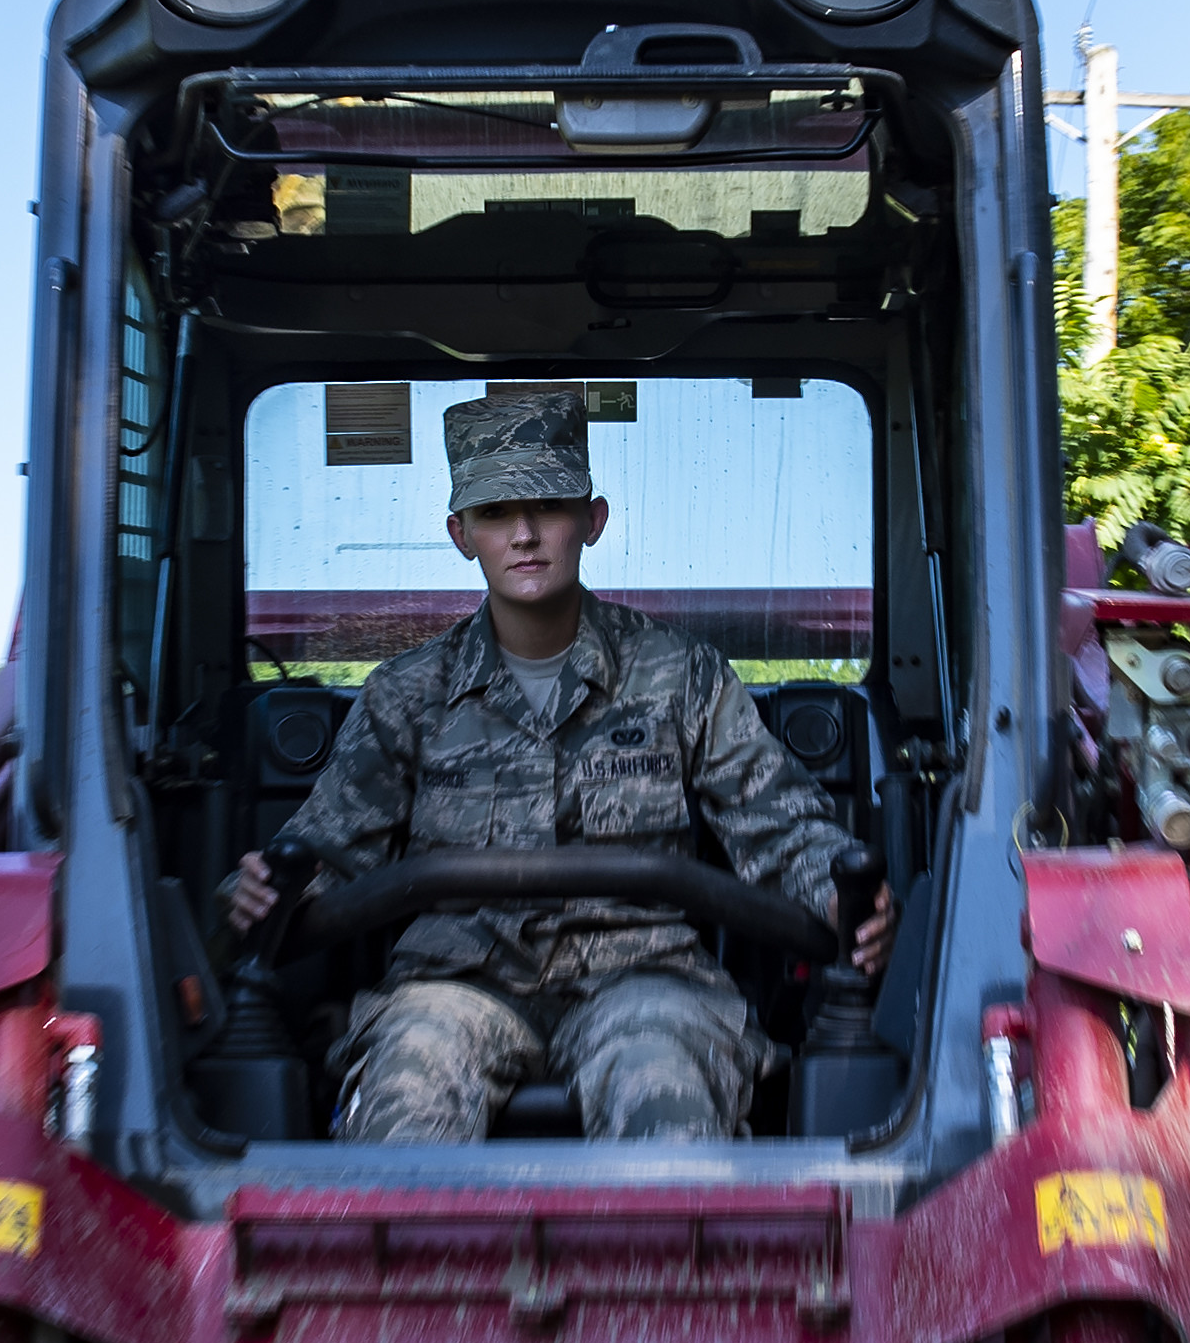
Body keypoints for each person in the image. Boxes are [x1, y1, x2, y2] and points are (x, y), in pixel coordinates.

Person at [222, 387, 897, 1142]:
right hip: (454, 987)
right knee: (406, 1087)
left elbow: (780, 824)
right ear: (460, 533)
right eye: (494, 513)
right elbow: (321, 853)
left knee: (666, 1091)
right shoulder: (406, 695)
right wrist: (258, 894)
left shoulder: (682, 676)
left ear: (591, 520)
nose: (523, 535)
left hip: (644, 981)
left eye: (546, 508)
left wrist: (836, 894)